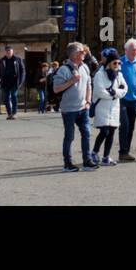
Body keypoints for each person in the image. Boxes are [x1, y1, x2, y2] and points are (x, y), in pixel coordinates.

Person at [54, 42, 96, 172]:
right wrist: (72, 81)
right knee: (69, 136)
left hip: (83, 108)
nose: (84, 54)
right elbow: (56, 89)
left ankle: (87, 161)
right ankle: (68, 163)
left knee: (87, 134)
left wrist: (88, 101)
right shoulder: (64, 69)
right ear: (74, 54)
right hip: (69, 109)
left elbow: (89, 85)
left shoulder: (84, 67)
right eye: (81, 52)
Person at [90, 48, 128, 166]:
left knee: (111, 132)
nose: (117, 65)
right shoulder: (99, 75)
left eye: (118, 63)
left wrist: (113, 92)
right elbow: (100, 91)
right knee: (104, 131)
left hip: (114, 108)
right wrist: (114, 94)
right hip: (102, 107)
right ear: (108, 63)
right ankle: (94, 152)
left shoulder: (119, 75)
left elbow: (125, 89)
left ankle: (106, 157)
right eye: (114, 63)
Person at [0, 45, 26, 120]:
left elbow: (22, 71)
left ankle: (14, 113)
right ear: (5, 52)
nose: (8, 52)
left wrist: (21, 81)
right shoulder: (2, 60)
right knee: (6, 99)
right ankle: (9, 113)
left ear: (12, 51)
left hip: (15, 82)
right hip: (5, 82)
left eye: (9, 51)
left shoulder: (17, 59)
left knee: (14, 97)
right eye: (7, 51)